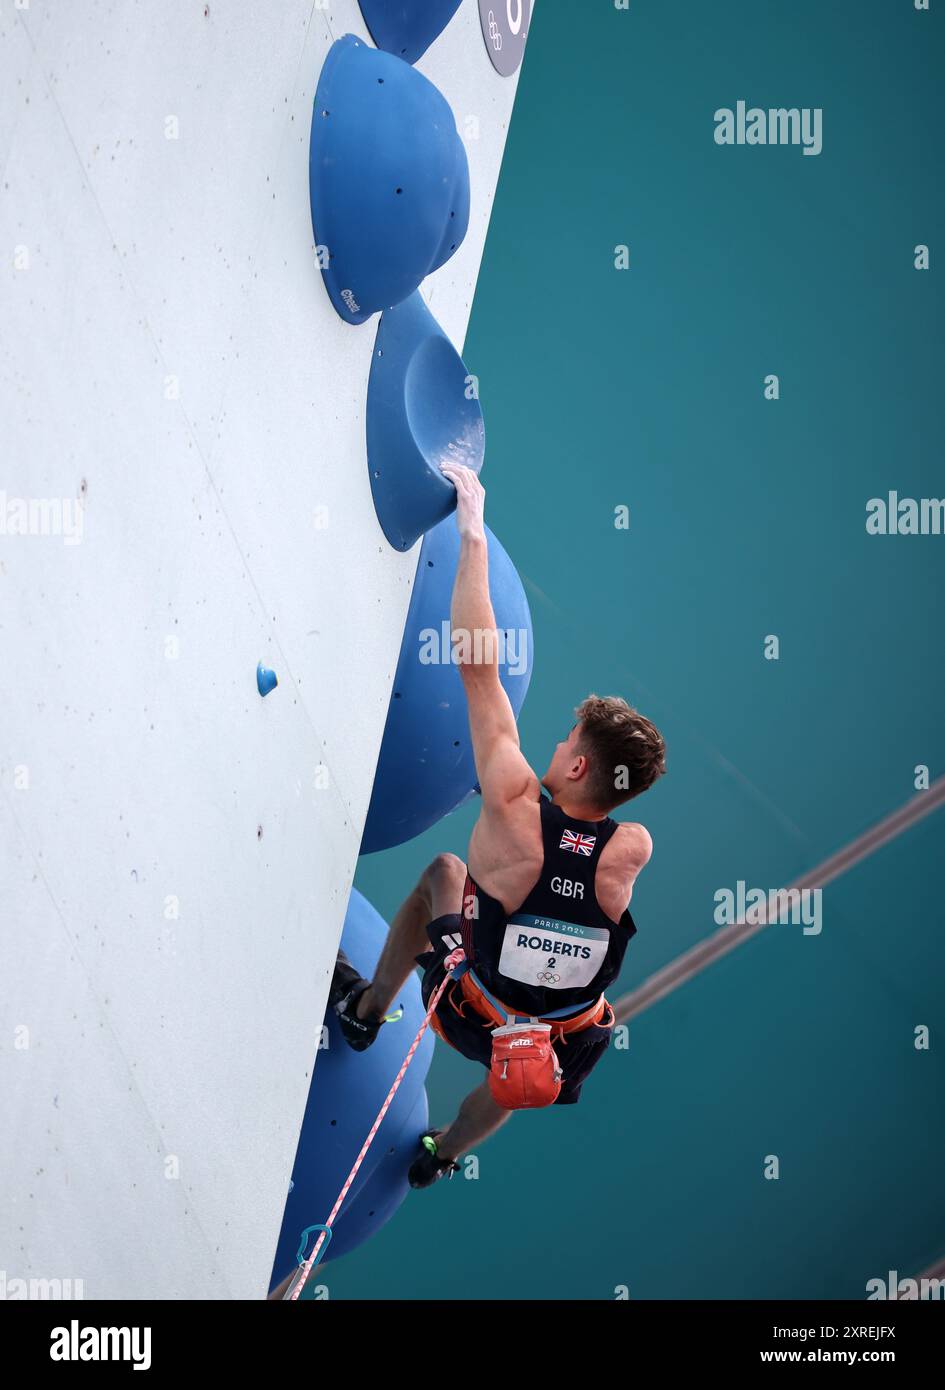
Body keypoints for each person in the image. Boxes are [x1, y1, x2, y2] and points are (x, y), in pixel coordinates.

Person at [328, 463, 665, 1187]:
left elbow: (477, 661)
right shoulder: (630, 851)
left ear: (576, 769)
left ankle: (363, 1011)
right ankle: (441, 1155)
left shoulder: (513, 802)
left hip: (468, 1010)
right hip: (557, 1042)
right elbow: (585, 859)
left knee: (443, 875)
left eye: (567, 742)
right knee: (522, 1077)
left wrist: (471, 527)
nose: (554, 745)